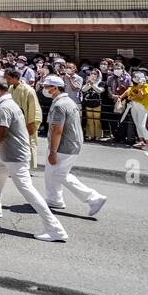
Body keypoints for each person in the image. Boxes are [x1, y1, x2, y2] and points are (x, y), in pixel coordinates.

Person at [0, 74, 68, 242]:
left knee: (27, 189)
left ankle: (55, 228)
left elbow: (1, 133)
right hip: (7, 152)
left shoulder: (3, 107)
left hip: (14, 155)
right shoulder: (8, 103)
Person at [40, 75, 107, 217]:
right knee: (51, 172)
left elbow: (58, 130)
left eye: (46, 87)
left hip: (65, 145)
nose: (44, 89)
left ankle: (93, 198)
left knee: (59, 173)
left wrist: (52, 152)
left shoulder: (60, 105)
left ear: (55, 88)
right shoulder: (66, 101)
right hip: (70, 142)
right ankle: (54, 199)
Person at [6, 67, 43, 171]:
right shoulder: (10, 88)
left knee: (29, 142)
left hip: (28, 120)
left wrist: (31, 123)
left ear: (15, 78)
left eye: (8, 78)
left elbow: (34, 108)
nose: (7, 81)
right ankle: (15, 164)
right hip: (14, 121)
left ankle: (27, 166)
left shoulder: (29, 90)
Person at [119, 70, 148, 150]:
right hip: (134, 106)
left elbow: (141, 96)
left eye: (138, 77)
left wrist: (140, 86)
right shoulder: (133, 86)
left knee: (142, 125)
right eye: (135, 77)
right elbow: (128, 94)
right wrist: (121, 97)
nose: (136, 78)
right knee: (137, 125)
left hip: (142, 107)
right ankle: (141, 141)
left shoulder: (146, 86)